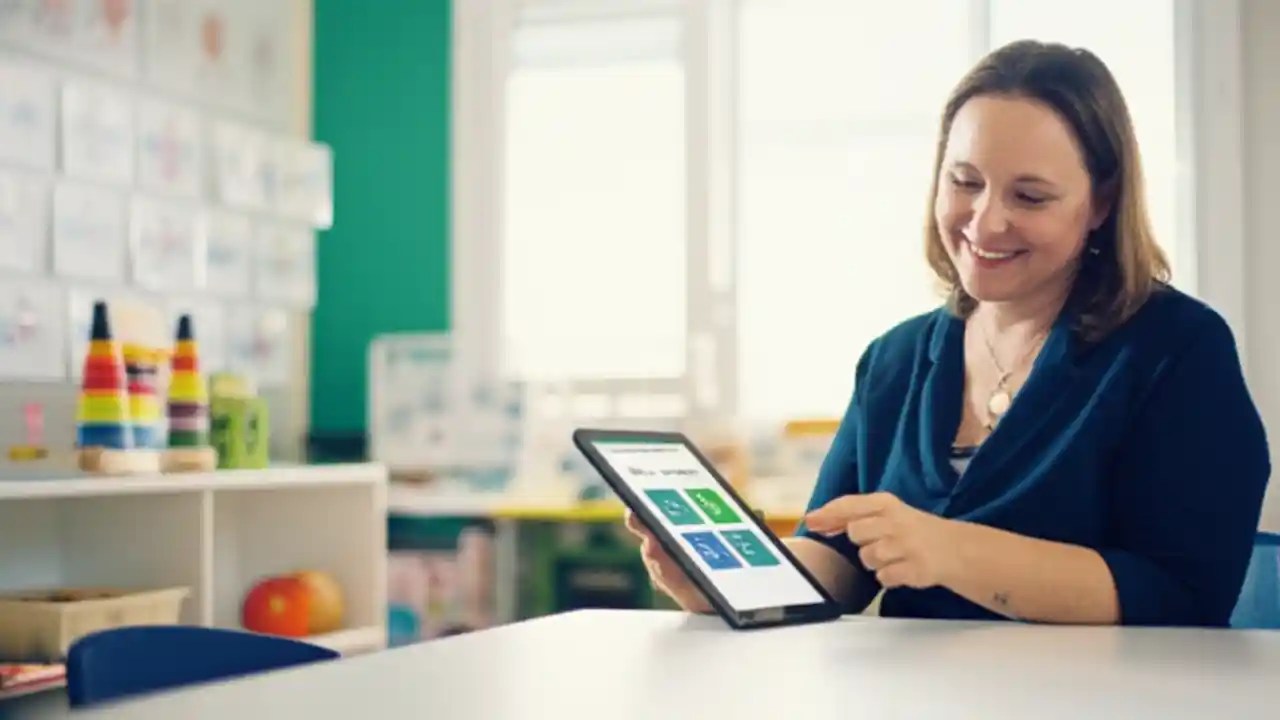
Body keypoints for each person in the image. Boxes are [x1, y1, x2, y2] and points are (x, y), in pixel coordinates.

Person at [626, 39, 1271, 627]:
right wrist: (726, 581)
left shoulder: (1176, 350)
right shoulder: (896, 360)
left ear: (1101, 203)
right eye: (965, 182)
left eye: (1031, 197)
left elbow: (1181, 592)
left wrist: (949, 550)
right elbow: (837, 557)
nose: (985, 224)